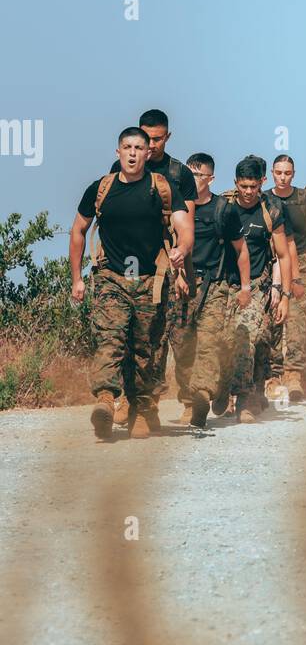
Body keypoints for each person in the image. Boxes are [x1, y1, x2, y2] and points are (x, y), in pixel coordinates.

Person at [69, 127, 191, 440]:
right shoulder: (102, 188)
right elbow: (78, 230)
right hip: (112, 277)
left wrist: (182, 249)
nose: (133, 153)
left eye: (139, 147)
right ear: (118, 152)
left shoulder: (161, 188)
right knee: (110, 339)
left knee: (146, 350)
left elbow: (183, 223)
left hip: (150, 279)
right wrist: (77, 279)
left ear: (148, 153)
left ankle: (141, 408)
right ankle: (106, 400)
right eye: (127, 147)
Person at [107, 109, 196, 424]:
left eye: (157, 139)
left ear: (167, 137)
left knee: (161, 338)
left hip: (168, 264)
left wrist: (183, 267)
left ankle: (165, 401)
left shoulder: (178, 174)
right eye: (146, 138)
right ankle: (132, 402)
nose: (150, 145)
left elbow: (187, 224)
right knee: (129, 334)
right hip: (128, 265)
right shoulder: (120, 170)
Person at [173, 154, 252, 429]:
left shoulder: (223, 209)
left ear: (211, 179)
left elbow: (241, 251)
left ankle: (201, 396)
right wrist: (177, 276)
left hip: (214, 285)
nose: (194, 180)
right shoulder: (176, 206)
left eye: (200, 175)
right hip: (182, 284)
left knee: (208, 342)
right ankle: (188, 397)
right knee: (182, 345)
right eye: (190, 174)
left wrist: (245, 287)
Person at [222, 158, 293, 424]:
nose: (248, 192)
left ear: (262, 182)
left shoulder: (271, 209)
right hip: (222, 284)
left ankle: (243, 398)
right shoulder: (224, 206)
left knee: (246, 338)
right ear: (235, 183)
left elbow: (284, 256)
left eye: (253, 186)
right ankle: (222, 391)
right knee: (221, 340)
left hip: (256, 285)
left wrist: (283, 295)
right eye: (243, 186)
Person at [264, 156, 306, 402]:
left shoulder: (304, 200)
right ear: (272, 173)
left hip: (302, 263)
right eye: (279, 172)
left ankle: (294, 375)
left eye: (288, 173)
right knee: (272, 319)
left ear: (294, 174)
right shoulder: (264, 199)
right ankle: (272, 376)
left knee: (296, 319)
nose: (283, 177)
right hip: (271, 262)